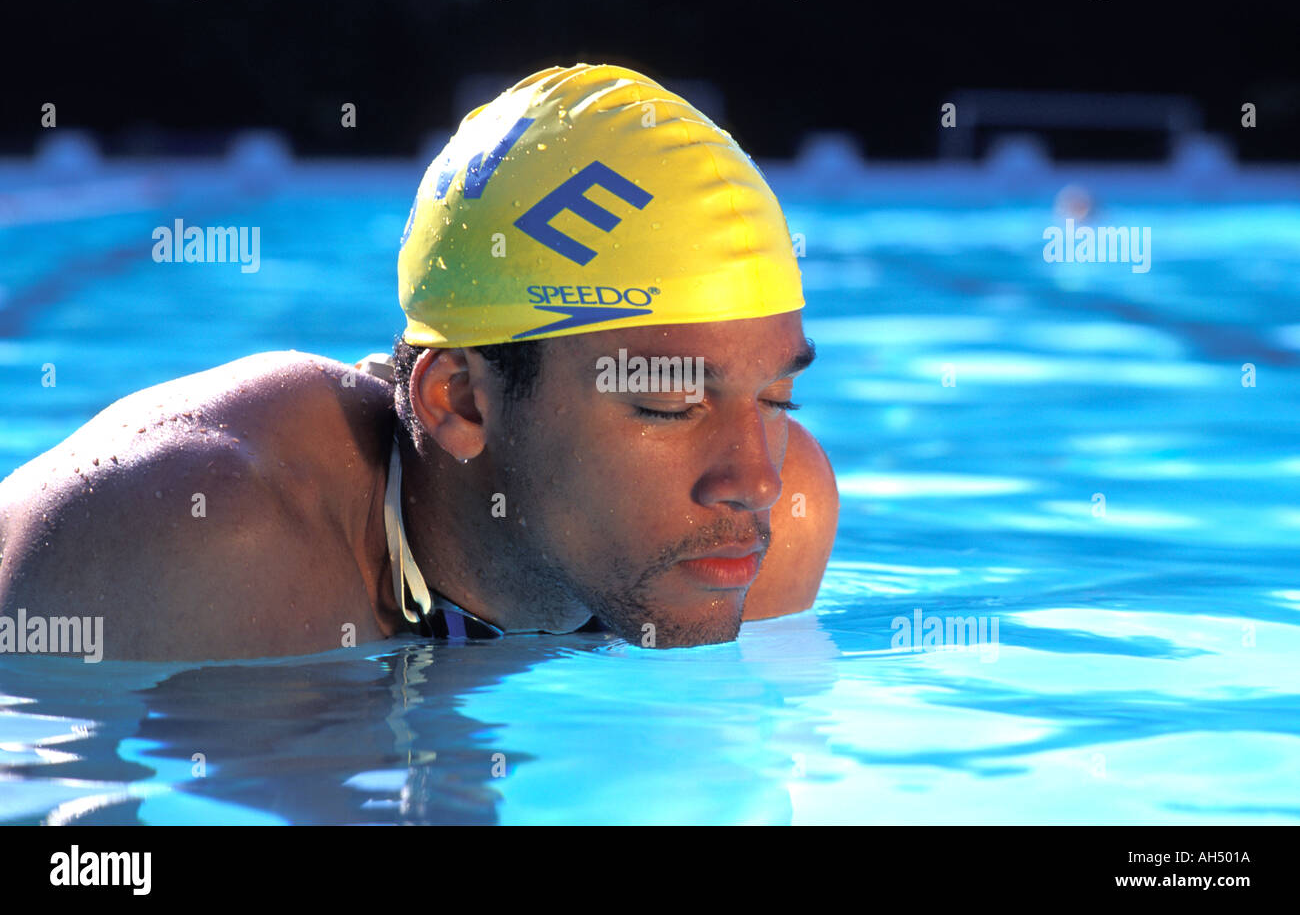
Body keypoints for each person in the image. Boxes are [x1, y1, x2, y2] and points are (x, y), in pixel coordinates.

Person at [0, 63, 838, 661]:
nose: (755, 480)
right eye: (670, 405)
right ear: (462, 401)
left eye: (776, 398)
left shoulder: (766, 531)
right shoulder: (187, 540)